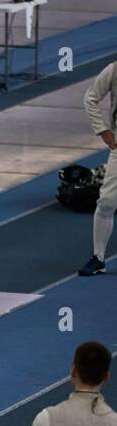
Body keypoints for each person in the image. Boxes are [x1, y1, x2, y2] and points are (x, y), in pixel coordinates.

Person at [79, 60, 116, 276]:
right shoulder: (113, 70)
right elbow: (90, 98)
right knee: (107, 201)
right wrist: (103, 130)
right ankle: (98, 258)